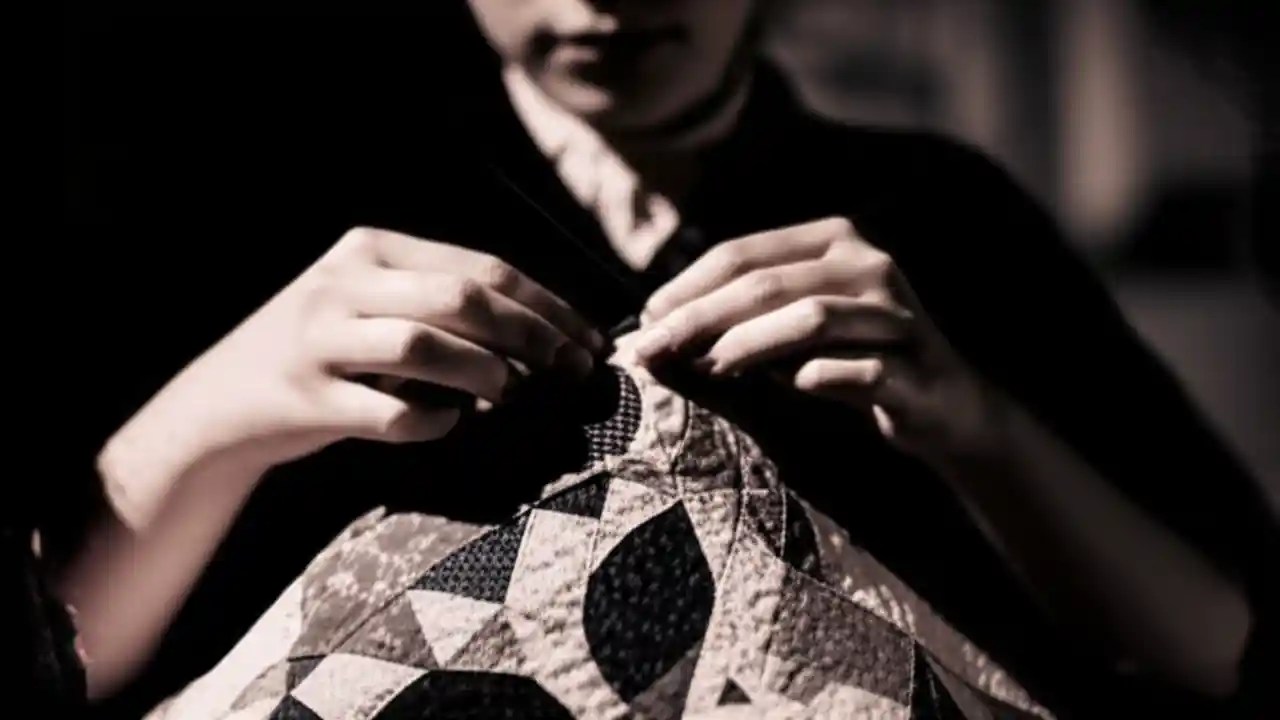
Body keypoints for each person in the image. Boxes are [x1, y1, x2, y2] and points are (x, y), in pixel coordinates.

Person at [55, 1, 1272, 717]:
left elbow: (1219, 648)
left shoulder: (942, 219)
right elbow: (59, 665)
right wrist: (210, 420)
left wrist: (976, 423)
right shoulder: (274, 207)